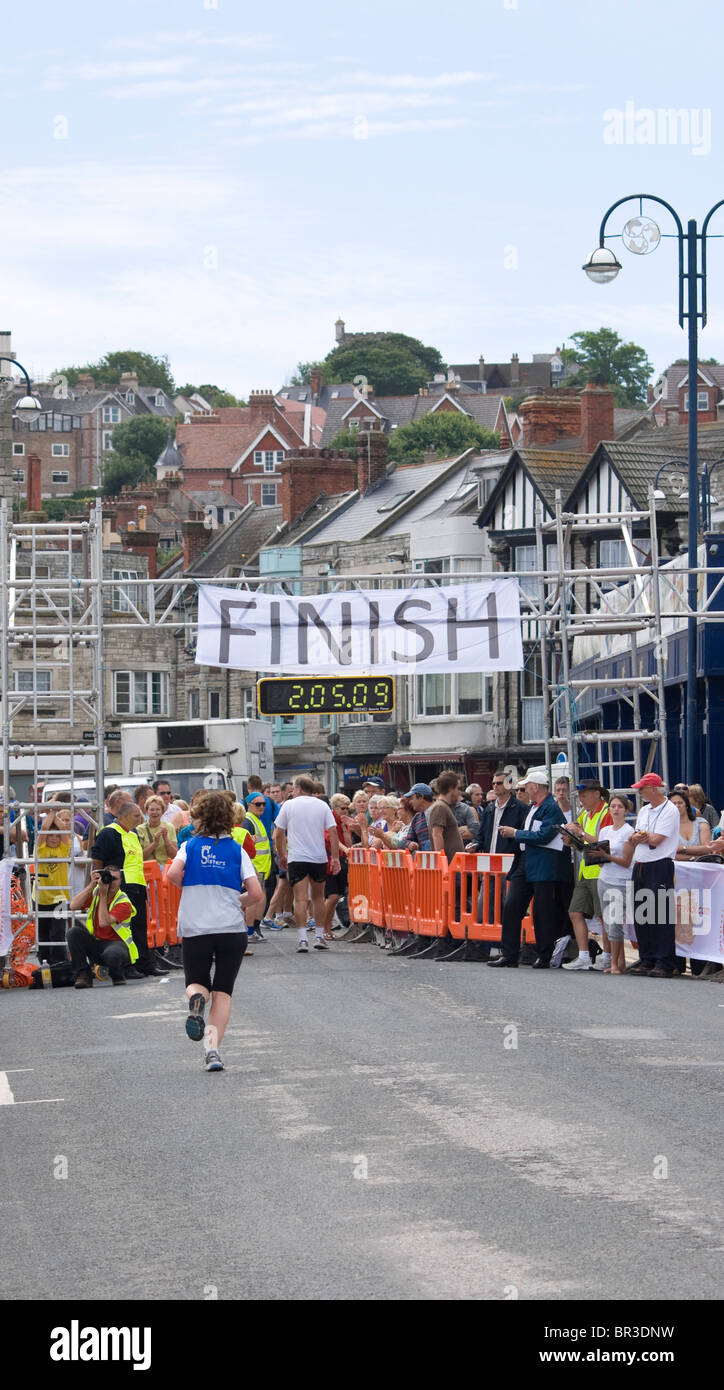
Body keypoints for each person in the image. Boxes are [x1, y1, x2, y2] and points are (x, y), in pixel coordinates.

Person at [167, 791, 263, 1072]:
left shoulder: (190, 846)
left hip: (196, 926)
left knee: (197, 982)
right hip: (230, 929)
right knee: (223, 992)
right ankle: (212, 1051)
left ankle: (197, 999)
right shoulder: (237, 850)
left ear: (199, 818)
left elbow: (171, 875)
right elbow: (255, 893)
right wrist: (239, 900)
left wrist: (190, 890)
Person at [498, 769, 571, 968]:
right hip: (528, 861)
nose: (524, 788)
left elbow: (543, 836)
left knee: (542, 912)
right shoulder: (534, 806)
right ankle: (509, 954)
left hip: (543, 865)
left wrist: (516, 833)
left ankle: (544, 954)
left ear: (535, 787)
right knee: (512, 906)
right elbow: (537, 834)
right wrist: (519, 835)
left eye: (527, 785)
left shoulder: (550, 809)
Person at [92, 800, 166, 977]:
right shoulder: (109, 833)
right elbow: (98, 859)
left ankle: (144, 963)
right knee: (126, 928)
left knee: (140, 926)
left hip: (137, 885)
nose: (140, 818)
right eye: (136, 815)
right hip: (121, 885)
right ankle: (127, 966)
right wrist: (104, 881)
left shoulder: (132, 833)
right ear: (123, 816)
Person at [273, 775, 340, 954]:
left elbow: (279, 833)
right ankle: (319, 936)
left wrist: (281, 854)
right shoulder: (322, 805)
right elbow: (333, 831)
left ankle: (303, 939)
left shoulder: (288, 805)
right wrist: (335, 857)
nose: (292, 793)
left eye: (293, 789)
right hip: (318, 857)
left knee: (300, 899)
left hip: (297, 857)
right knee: (318, 898)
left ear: (299, 789)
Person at [627, 773, 680, 978]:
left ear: (653, 789)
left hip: (659, 864)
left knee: (661, 914)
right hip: (641, 864)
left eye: (642, 788)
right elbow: (634, 837)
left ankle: (664, 961)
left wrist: (641, 837)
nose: (639, 792)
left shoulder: (670, 810)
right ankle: (647, 957)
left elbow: (655, 840)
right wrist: (640, 837)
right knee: (642, 914)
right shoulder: (644, 810)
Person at [561, 779, 613, 973]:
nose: (581, 799)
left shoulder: (606, 813)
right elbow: (581, 843)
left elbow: (605, 842)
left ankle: (607, 957)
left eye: (584, 795)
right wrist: (570, 840)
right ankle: (583, 956)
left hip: (602, 871)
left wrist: (579, 833)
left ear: (597, 794)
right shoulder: (585, 814)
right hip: (586, 870)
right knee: (575, 912)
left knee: (603, 917)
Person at [67, 865, 138, 988]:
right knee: (73, 933)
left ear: (121, 881)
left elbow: (104, 922)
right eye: (108, 878)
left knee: (112, 953)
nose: (110, 882)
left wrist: (103, 896)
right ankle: (83, 974)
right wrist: (91, 886)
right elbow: (73, 906)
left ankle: (117, 974)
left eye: (114, 879)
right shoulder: (96, 892)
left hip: (118, 945)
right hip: (97, 943)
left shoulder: (123, 901)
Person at [595, 794, 635, 975]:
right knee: (607, 922)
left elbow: (626, 862)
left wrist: (606, 856)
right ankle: (620, 961)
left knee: (615, 922)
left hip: (621, 881)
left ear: (626, 810)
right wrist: (596, 857)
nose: (616, 809)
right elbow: (602, 860)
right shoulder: (605, 831)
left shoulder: (629, 832)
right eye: (613, 806)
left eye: (619, 806)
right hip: (604, 878)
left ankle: (614, 964)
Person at [35, 804, 73, 965]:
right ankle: (45, 961)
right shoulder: (41, 849)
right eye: (51, 835)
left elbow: (63, 827)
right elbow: (44, 827)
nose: (54, 838)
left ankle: (59, 963)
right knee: (43, 933)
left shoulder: (63, 849)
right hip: (42, 896)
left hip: (59, 897)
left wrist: (53, 811)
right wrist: (53, 810)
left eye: (57, 836)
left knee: (57, 932)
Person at [241, 794, 273, 940]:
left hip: (261, 867)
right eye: (257, 804)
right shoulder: (248, 821)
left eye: (263, 804)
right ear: (249, 804)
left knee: (260, 897)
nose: (261, 807)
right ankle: (251, 929)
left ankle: (255, 928)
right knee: (255, 898)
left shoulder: (256, 820)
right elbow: (246, 847)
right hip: (255, 867)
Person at [672, 789, 713, 859]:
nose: (677, 806)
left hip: (701, 867)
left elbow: (707, 849)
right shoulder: (667, 826)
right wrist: (694, 857)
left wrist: (682, 849)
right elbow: (670, 855)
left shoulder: (701, 823)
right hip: (677, 868)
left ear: (687, 806)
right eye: (673, 804)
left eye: (680, 803)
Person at [137, 795, 178, 865]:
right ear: (147, 811)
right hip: (148, 870)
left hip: (165, 870)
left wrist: (166, 839)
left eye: (158, 809)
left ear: (162, 811)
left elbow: (174, 856)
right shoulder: (139, 829)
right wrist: (154, 843)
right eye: (152, 809)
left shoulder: (169, 827)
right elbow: (139, 857)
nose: (155, 812)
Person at [402, 785, 434, 851]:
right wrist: (409, 844)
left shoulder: (440, 811)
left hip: (443, 859)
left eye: (412, 799)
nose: (410, 802)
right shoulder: (417, 817)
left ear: (421, 797)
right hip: (425, 859)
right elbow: (407, 840)